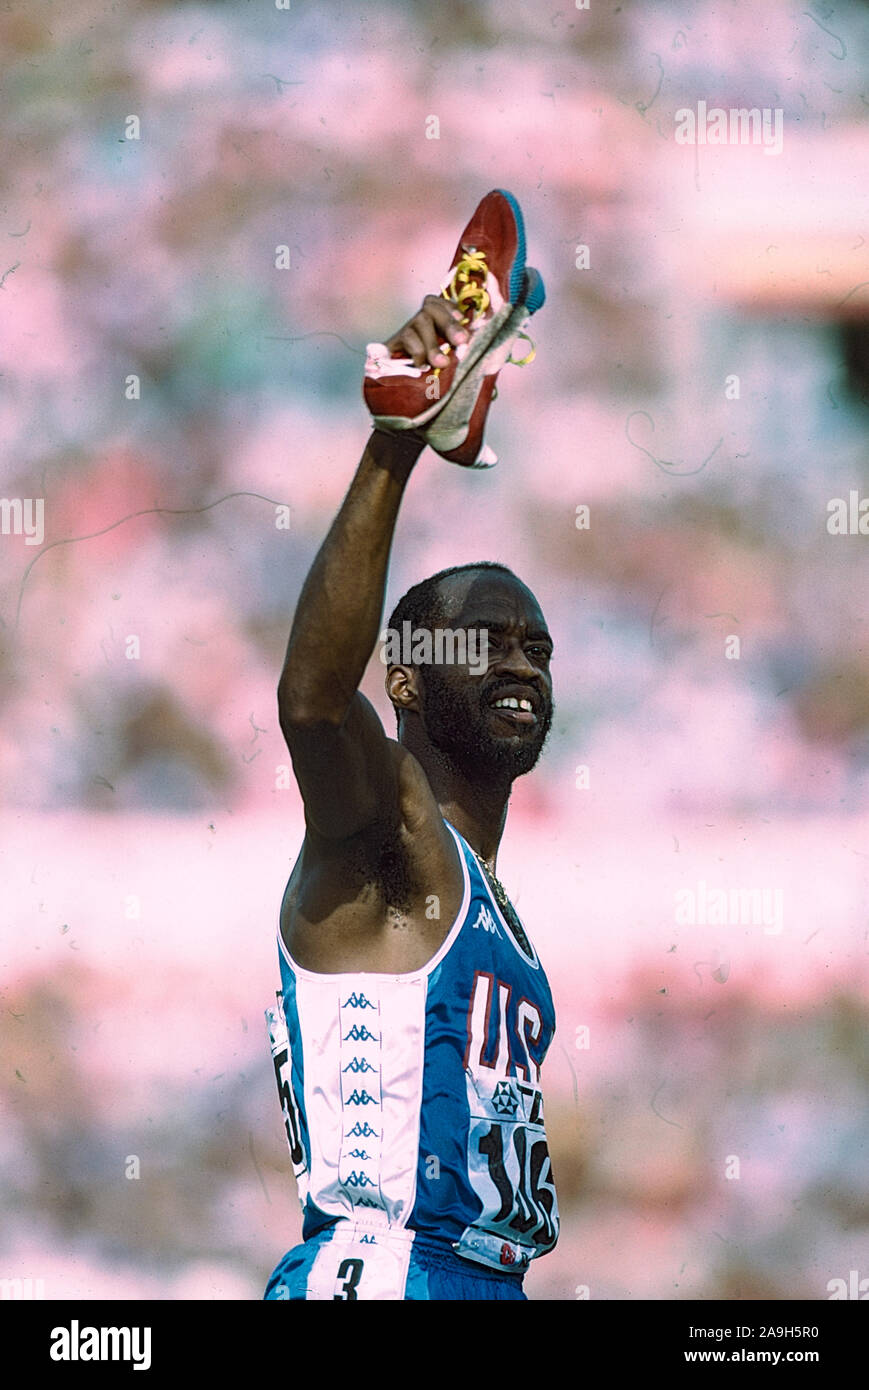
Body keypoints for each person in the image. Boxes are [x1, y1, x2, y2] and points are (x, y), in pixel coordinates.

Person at [264, 192, 559, 1301]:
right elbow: (307, 702)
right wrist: (394, 442)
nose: (522, 664)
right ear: (405, 674)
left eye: (537, 646)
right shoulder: (382, 845)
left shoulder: (479, 891)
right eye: (482, 641)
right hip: (383, 1277)